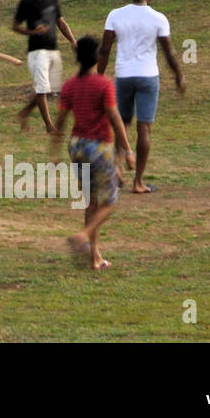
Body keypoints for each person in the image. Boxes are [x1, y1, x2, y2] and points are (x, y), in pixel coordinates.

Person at [97, 0, 185, 194]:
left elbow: (105, 49)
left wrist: (98, 76)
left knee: (122, 124)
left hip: (123, 75)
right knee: (144, 127)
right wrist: (178, 75)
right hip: (148, 76)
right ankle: (138, 182)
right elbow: (168, 52)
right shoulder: (158, 18)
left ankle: (116, 170)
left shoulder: (115, 15)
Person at [53, 36, 136, 270]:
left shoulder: (69, 85)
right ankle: (84, 235)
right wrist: (128, 151)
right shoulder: (103, 83)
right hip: (97, 147)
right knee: (110, 202)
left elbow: (60, 123)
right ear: (98, 57)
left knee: (91, 203)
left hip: (77, 146)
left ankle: (95, 258)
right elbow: (115, 118)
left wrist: (53, 150)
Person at [14, 0, 77, 133]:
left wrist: (72, 40)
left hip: (53, 49)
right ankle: (50, 126)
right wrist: (32, 32)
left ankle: (25, 112)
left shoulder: (53, 0)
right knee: (42, 88)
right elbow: (16, 26)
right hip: (37, 51)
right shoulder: (26, 3)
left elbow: (61, 22)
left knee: (49, 89)